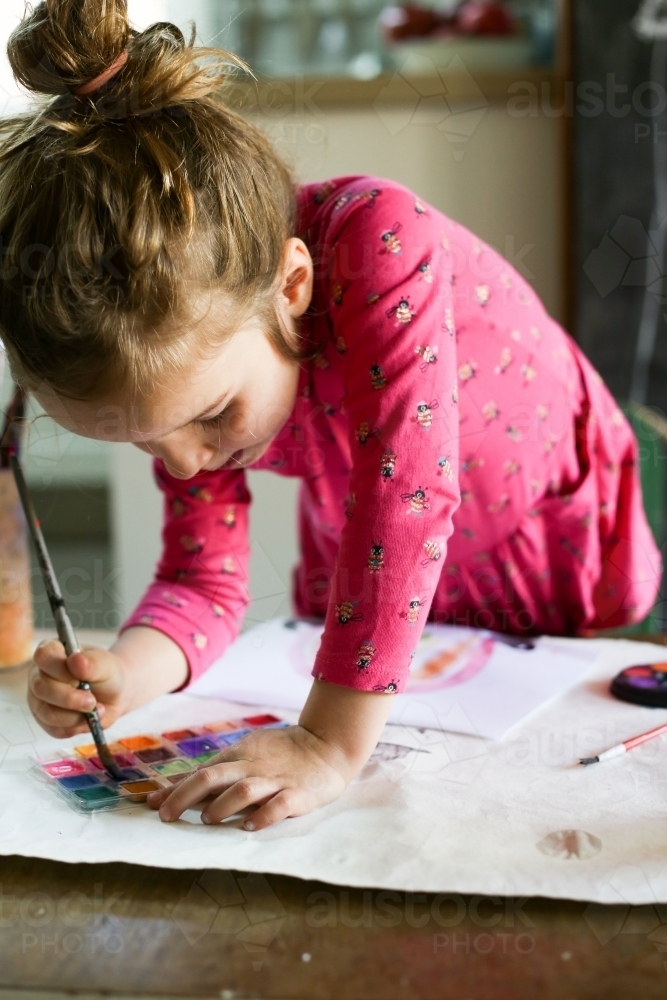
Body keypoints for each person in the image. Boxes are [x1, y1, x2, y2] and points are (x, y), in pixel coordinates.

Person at [1, 1, 660, 831]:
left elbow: (410, 501)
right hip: (371, 581)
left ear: (293, 286)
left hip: (535, 541)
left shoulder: (382, 240)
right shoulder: (189, 405)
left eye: (209, 417)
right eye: (142, 443)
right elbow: (202, 581)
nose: (187, 465)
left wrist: (326, 744)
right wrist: (127, 672)